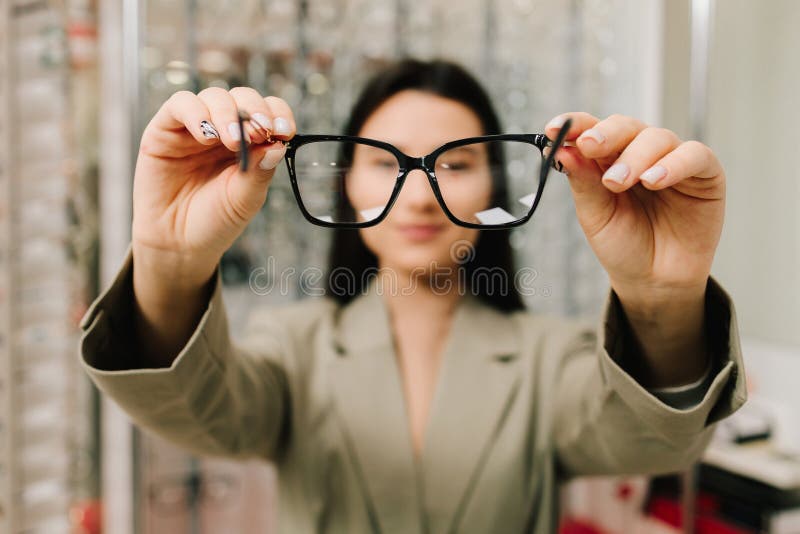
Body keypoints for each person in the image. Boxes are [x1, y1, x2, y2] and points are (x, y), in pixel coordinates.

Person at [79, 59, 746, 533]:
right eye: (384, 161)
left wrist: (662, 297)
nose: (420, 193)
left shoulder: (551, 357)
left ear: (492, 186)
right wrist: (170, 262)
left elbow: (655, 443)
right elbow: (198, 412)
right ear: (346, 183)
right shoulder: (294, 346)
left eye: (455, 164)